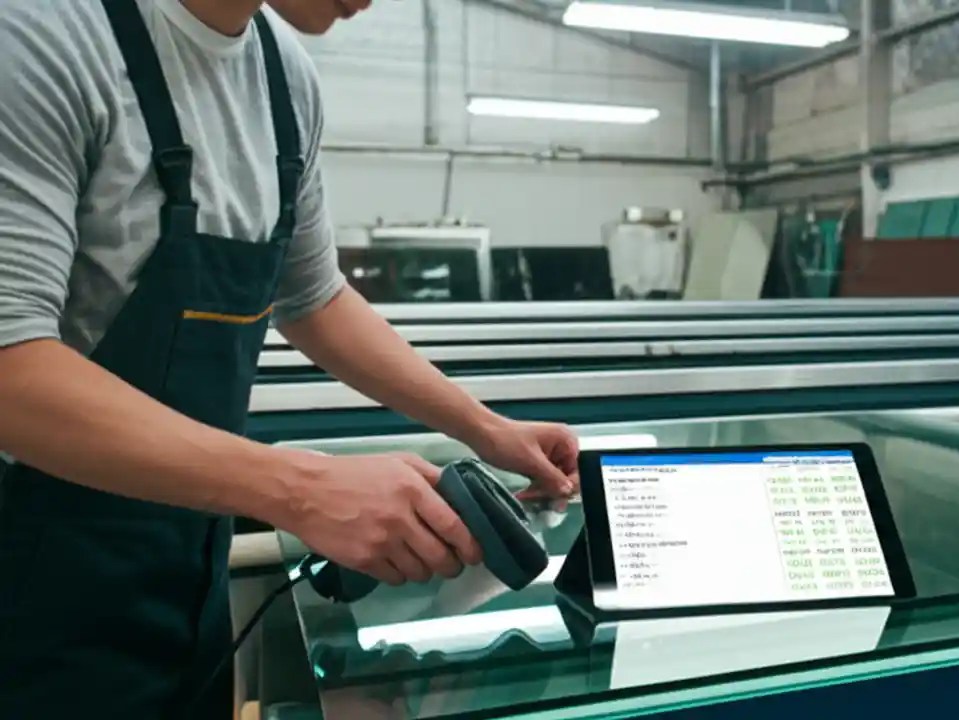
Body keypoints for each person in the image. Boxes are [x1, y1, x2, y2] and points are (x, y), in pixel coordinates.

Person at [0, 0, 579, 717]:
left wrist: (485, 428)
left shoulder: (283, 78)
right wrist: (304, 489)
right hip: (32, 582)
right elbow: (10, 368)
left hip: (189, 563)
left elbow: (312, 296)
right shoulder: (43, 35)